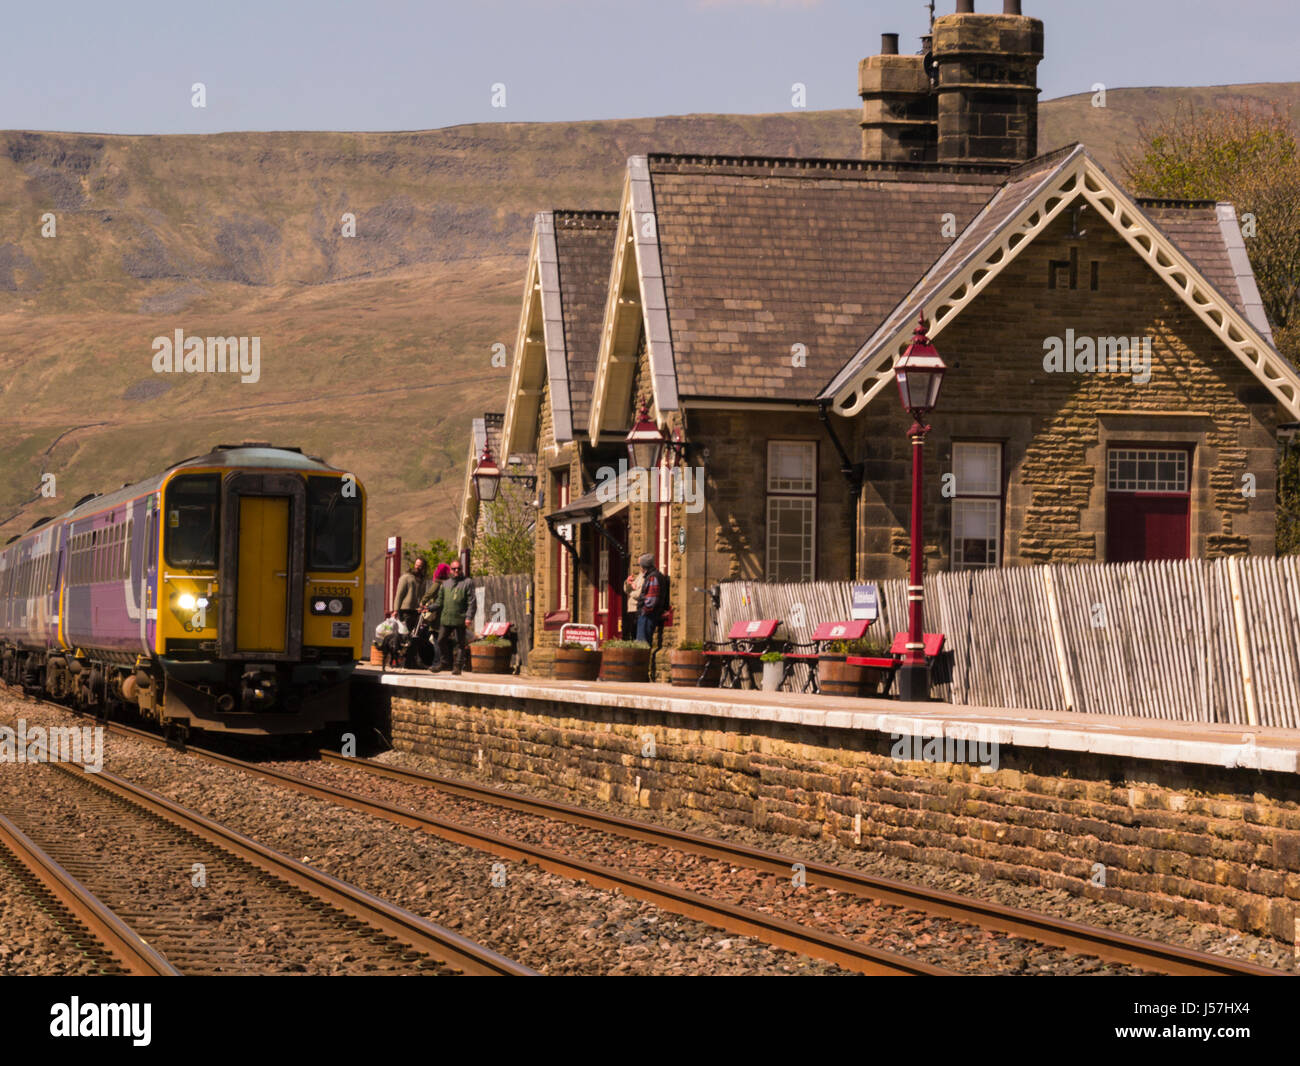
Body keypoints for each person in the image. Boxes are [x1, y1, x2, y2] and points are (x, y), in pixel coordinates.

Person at [434, 559, 474, 675]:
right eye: (454, 568)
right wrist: (429, 608)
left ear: (461, 569)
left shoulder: (467, 582)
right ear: (450, 570)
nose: (456, 570)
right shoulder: (445, 584)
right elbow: (439, 602)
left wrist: (469, 617)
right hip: (446, 618)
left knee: (460, 643)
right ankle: (444, 662)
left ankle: (458, 666)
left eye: (459, 568)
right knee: (441, 640)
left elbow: (472, 602)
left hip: (460, 618)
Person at [392, 557, 429, 668]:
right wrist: (395, 610)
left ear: (424, 567)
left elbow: (423, 595)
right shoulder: (406, 578)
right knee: (404, 637)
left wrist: (423, 607)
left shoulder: (422, 580)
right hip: (406, 611)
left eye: (420, 565)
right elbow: (399, 594)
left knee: (414, 637)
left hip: (417, 611)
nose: (418, 567)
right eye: (416, 564)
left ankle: (410, 662)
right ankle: (399, 661)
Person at [419, 563, 451, 670]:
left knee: (437, 639)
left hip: (436, 615)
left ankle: (437, 662)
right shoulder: (448, 584)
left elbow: (428, 594)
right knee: (443, 640)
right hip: (446, 614)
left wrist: (422, 603)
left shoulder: (437, 584)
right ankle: (445, 662)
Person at [633, 553, 668, 647]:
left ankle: (643, 662)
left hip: (648, 616)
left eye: (640, 565)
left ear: (643, 566)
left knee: (642, 645)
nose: (639, 567)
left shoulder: (653, 577)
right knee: (642, 644)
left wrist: (643, 611)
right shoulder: (653, 575)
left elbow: (651, 600)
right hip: (647, 615)